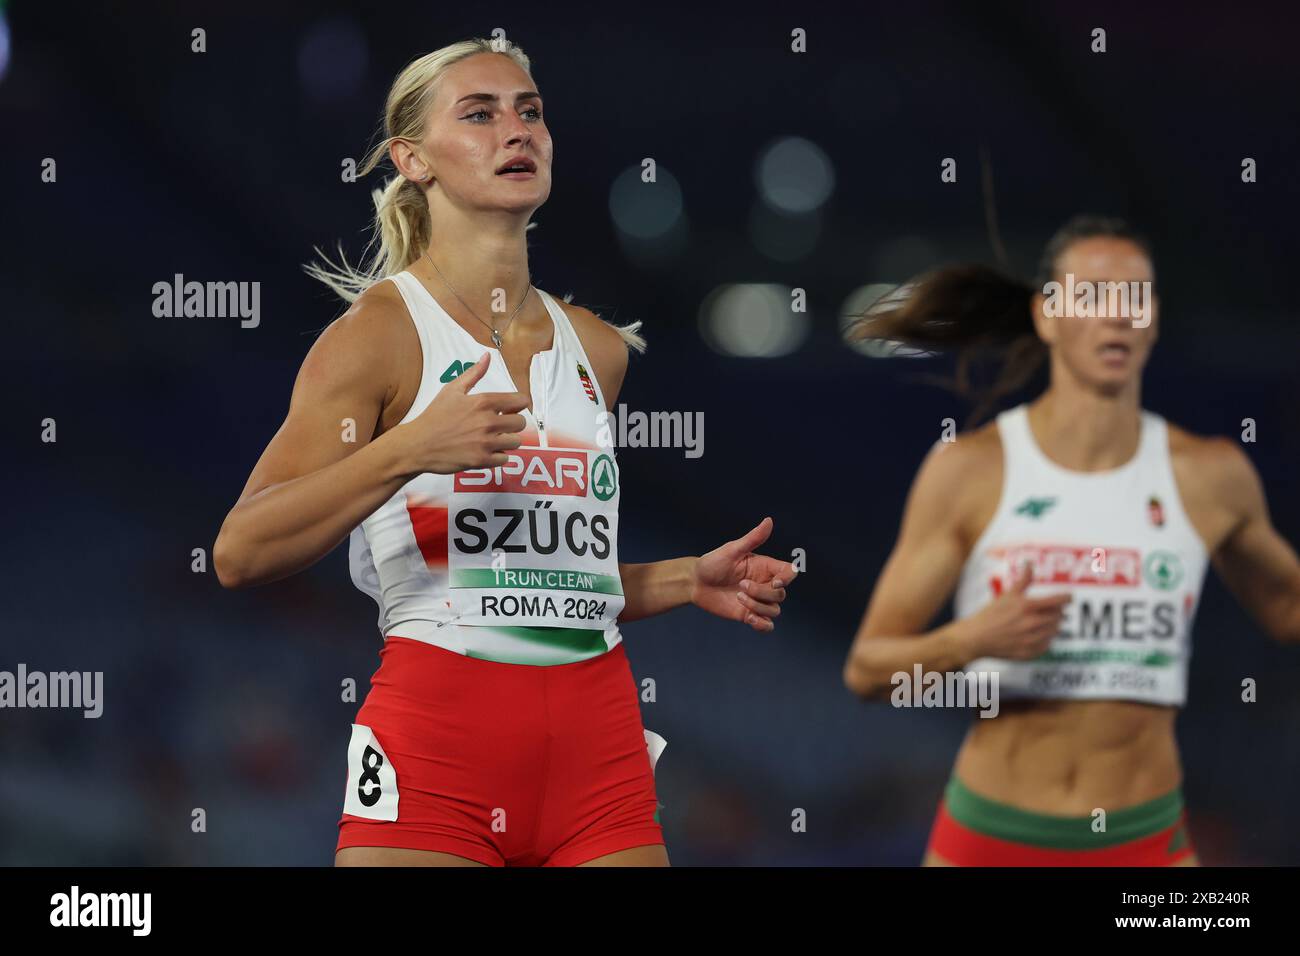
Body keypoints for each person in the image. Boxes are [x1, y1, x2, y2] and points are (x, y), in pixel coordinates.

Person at [214, 37, 798, 867]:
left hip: (600, 755)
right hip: (436, 749)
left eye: (530, 112)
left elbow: (540, 586)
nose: (516, 131)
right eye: (480, 115)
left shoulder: (598, 349)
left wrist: (682, 580)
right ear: (413, 159)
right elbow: (239, 552)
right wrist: (408, 449)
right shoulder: (379, 337)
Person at [842, 215, 1300, 866]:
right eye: (1090, 295)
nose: (1116, 315)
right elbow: (868, 672)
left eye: (1134, 297)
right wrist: (973, 639)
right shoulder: (970, 470)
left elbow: (1288, 609)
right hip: (989, 840)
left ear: (1153, 319)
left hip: (1143, 842)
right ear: (1047, 315)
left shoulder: (1212, 476)